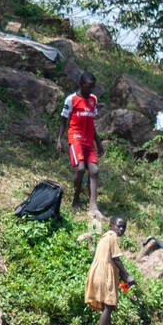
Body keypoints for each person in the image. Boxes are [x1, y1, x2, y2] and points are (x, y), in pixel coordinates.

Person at [84, 216, 135, 325]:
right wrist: (127, 275)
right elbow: (116, 259)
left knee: (108, 307)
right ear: (111, 225)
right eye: (119, 226)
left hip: (98, 272)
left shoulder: (104, 237)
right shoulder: (112, 236)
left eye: (124, 227)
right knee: (109, 306)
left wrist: (124, 277)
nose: (121, 229)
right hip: (103, 274)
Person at [59, 71, 104, 216]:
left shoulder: (93, 100)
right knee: (80, 169)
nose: (91, 90)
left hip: (88, 140)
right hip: (75, 138)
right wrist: (59, 139)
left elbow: (92, 123)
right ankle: (76, 198)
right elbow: (63, 120)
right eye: (88, 86)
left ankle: (93, 206)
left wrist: (98, 142)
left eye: (93, 87)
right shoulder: (71, 99)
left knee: (95, 171)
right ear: (81, 85)